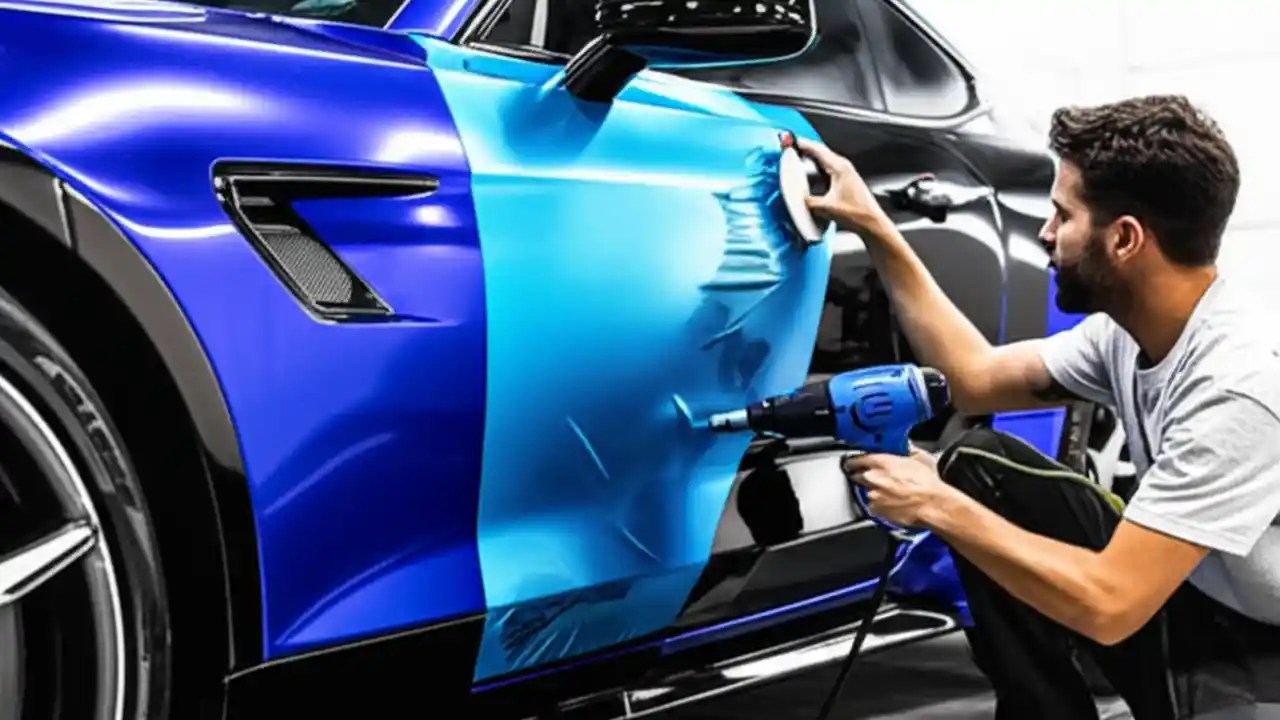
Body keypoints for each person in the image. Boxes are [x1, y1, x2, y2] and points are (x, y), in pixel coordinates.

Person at [794, 94, 1280, 719]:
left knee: (971, 503)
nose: (1046, 232)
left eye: (1062, 215)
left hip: (1254, 648)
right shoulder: (1129, 330)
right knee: (978, 465)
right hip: (1194, 593)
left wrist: (935, 505)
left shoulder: (1235, 387)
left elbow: (1109, 605)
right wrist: (875, 226)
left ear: (1126, 239)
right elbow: (972, 377)